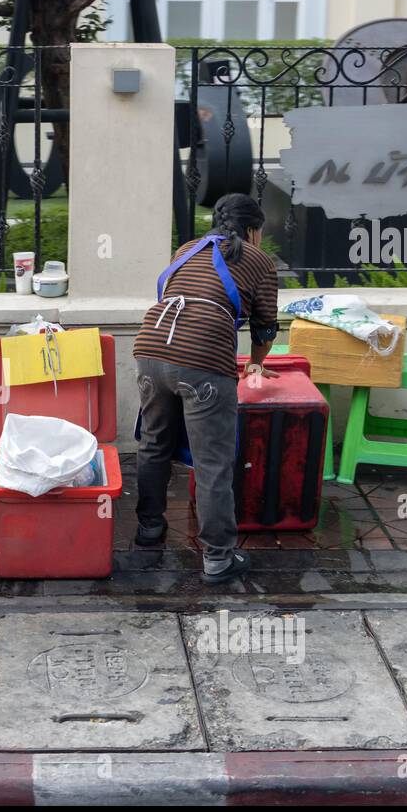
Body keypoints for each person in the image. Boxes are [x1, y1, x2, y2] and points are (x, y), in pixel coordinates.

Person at [131, 193, 279, 583]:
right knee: (213, 461)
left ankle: (149, 528)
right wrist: (256, 364)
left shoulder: (187, 248)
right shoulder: (259, 259)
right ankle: (217, 558)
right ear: (252, 229)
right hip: (202, 361)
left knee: (153, 442)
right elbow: (265, 325)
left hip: (150, 350)